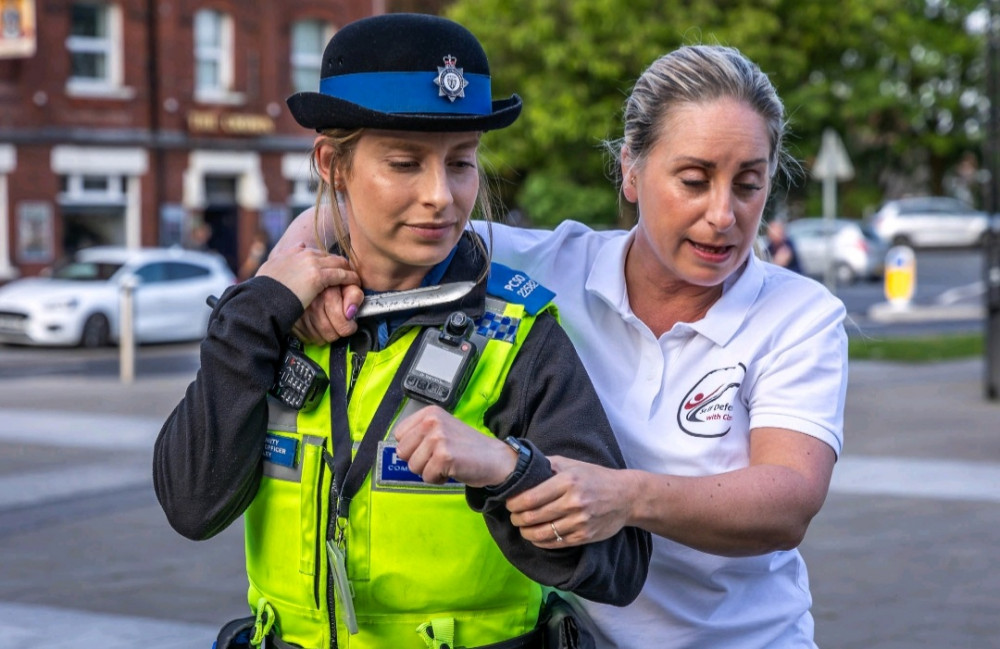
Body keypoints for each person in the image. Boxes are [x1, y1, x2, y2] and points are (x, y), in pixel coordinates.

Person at [276, 43, 848, 649]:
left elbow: (789, 500)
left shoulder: (799, 314)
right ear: (631, 169)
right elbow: (348, 210)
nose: (723, 214)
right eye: (694, 179)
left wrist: (625, 498)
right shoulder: (550, 266)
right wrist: (294, 283)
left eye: (748, 184)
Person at [153, 13, 649, 649]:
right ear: (332, 163)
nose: (441, 195)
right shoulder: (271, 322)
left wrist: (506, 472)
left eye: (461, 163)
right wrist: (257, 309)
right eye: (405, 163)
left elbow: (619, 567)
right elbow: (192, 507)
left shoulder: (520, 338)